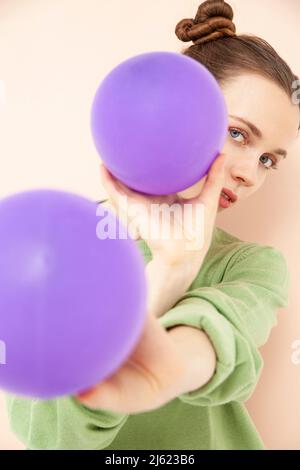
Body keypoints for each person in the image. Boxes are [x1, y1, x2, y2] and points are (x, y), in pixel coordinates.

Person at [6, 0, 299, 450]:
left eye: (268, 161)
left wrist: (167, 368)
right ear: (181, 112)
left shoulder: (252, 265)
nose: (249, 173)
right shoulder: (55, 245)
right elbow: (51, 437)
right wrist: (166, 275)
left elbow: (218, 337)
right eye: (238, 133)